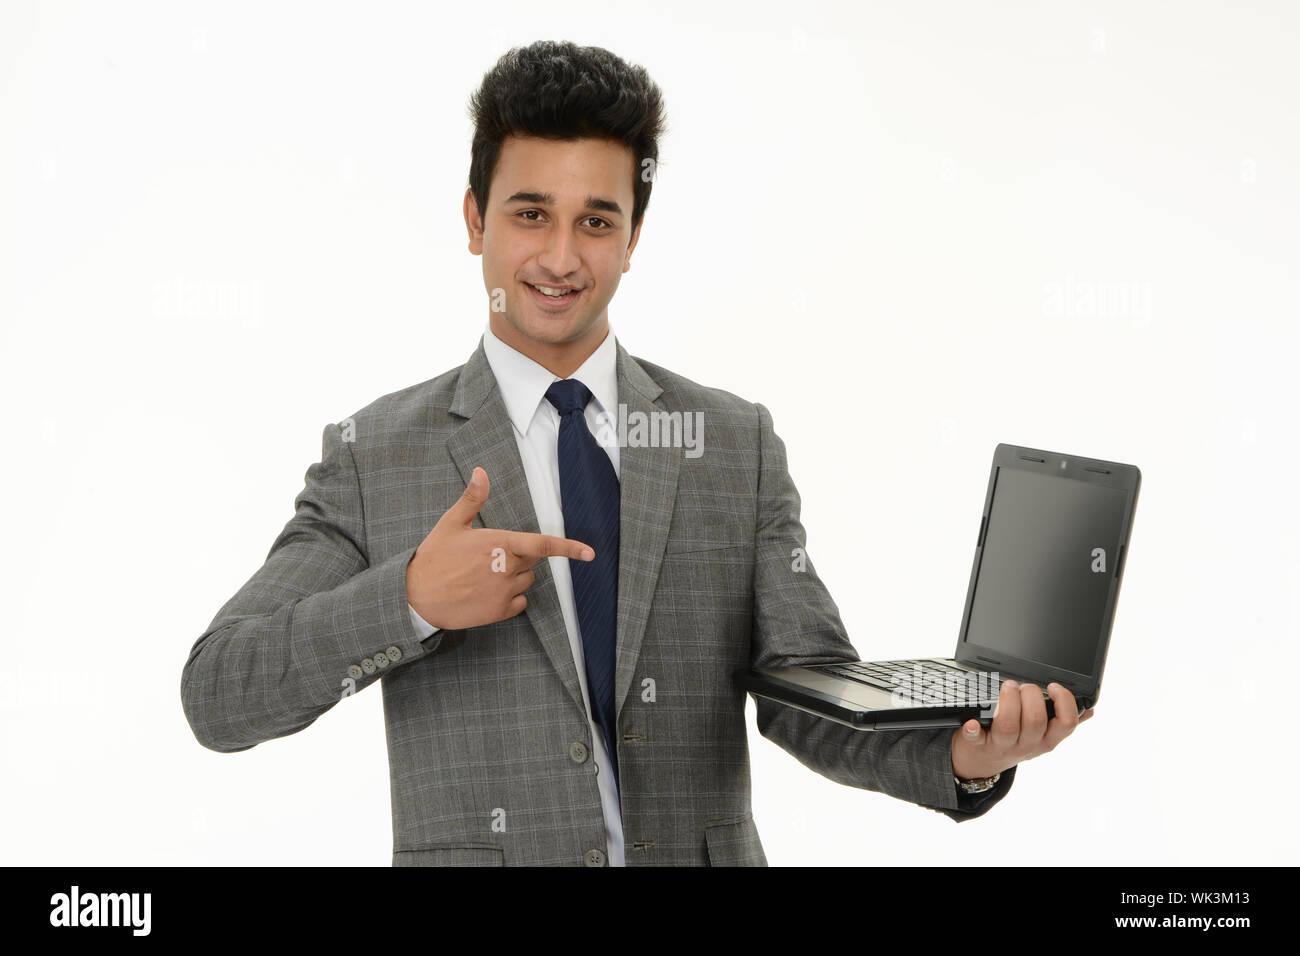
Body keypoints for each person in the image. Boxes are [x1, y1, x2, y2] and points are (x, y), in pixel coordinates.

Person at [181, 40, 1093, 866]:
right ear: (474, 219)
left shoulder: (732, 444)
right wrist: (411, 598)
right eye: (531, 213)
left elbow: (807, 696)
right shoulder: (373, 456)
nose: (560, 257)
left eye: (597, 220)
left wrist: (965, 755)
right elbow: (220, 692)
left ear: (634, 237)